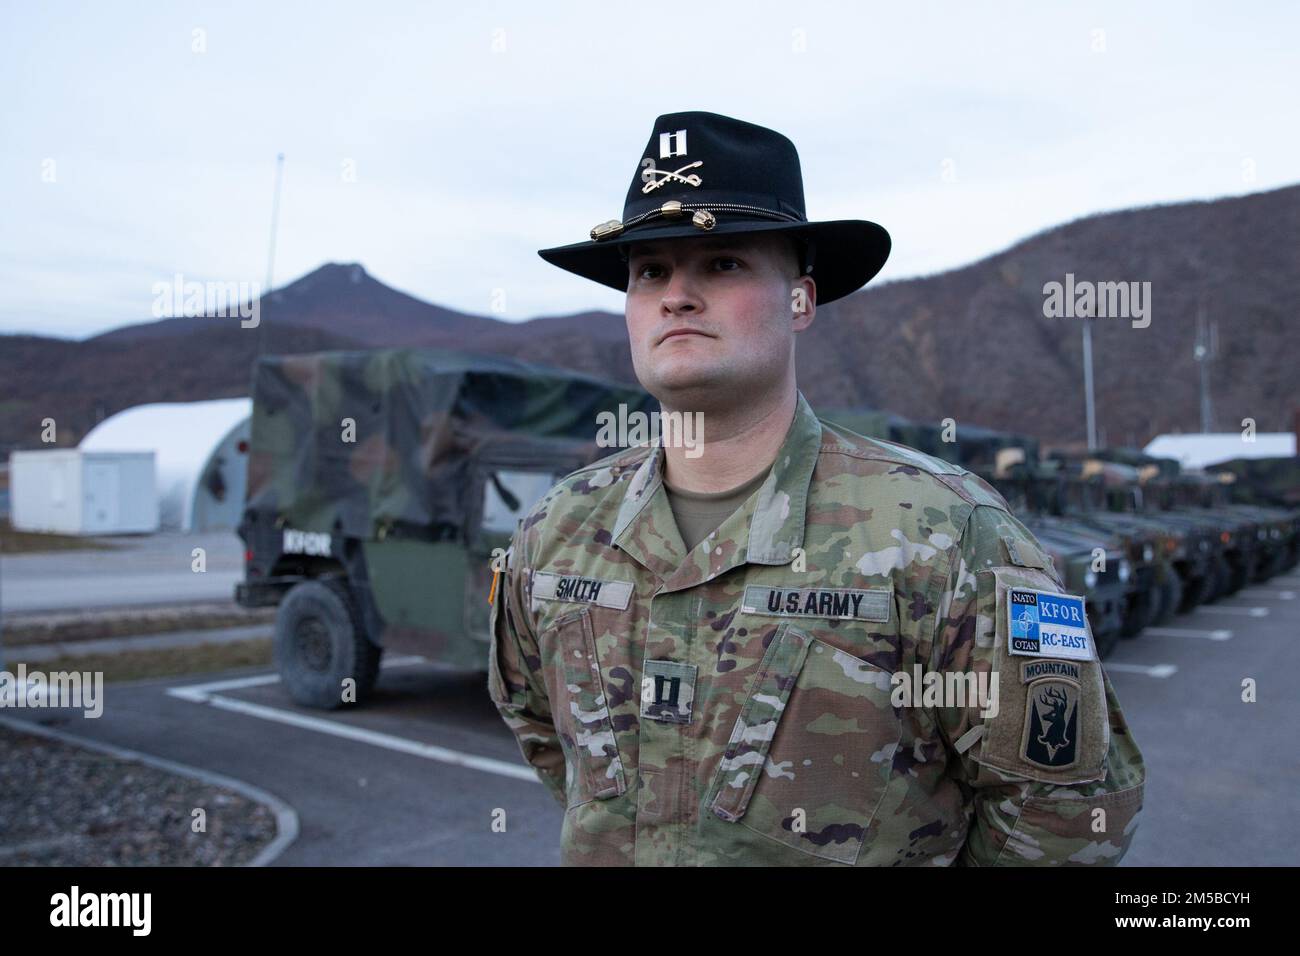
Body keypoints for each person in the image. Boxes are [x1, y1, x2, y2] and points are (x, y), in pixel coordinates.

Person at [488, 110, 1144, 866]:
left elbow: (1065, 811)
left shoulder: (946, 529)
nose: (677, 296)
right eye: (650, 272)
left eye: (723, 263)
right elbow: (544, 733)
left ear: (800, 300)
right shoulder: (558, 527)